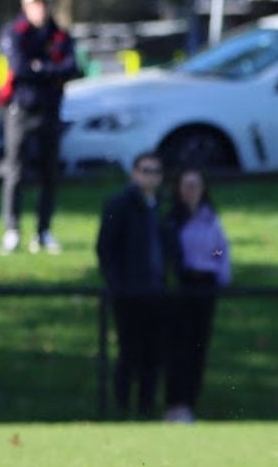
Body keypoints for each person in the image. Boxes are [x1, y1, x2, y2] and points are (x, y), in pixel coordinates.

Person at [0, 0, 80, 254]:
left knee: (49, 174)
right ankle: (12, 230)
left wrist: (39, 69)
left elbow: (71, 68)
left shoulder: (60, 35)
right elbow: (19, 68)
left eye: (45, 3)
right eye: (36, 3)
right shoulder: (15, 32)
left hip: (50, 111)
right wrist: (49, 71)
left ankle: (43, 232)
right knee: (15, 171)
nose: (40, 9)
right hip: (20, 111)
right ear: (26, 4)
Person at [96, 151, 168, 419]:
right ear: (134, 173)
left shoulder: (163, 206)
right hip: (129, 293)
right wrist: (118, 284)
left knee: (154, 353)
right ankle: (122, 407)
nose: (151, 177)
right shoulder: (119, 205)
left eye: (156, 171)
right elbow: (105, 250)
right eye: (146, 171)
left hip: (157, 292)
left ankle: (146, 408)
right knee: (130, 352)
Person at [162, 167, 232, 424]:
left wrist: (218, 271)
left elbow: (220, 251)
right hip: (181, 285)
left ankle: (189, 403)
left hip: (205, 285)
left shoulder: (210, 219)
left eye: (195, 186)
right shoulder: (171, 219)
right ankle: (174, 403)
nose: (190, 191)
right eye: (186, 185)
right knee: (177, 347)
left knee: (198, 346)